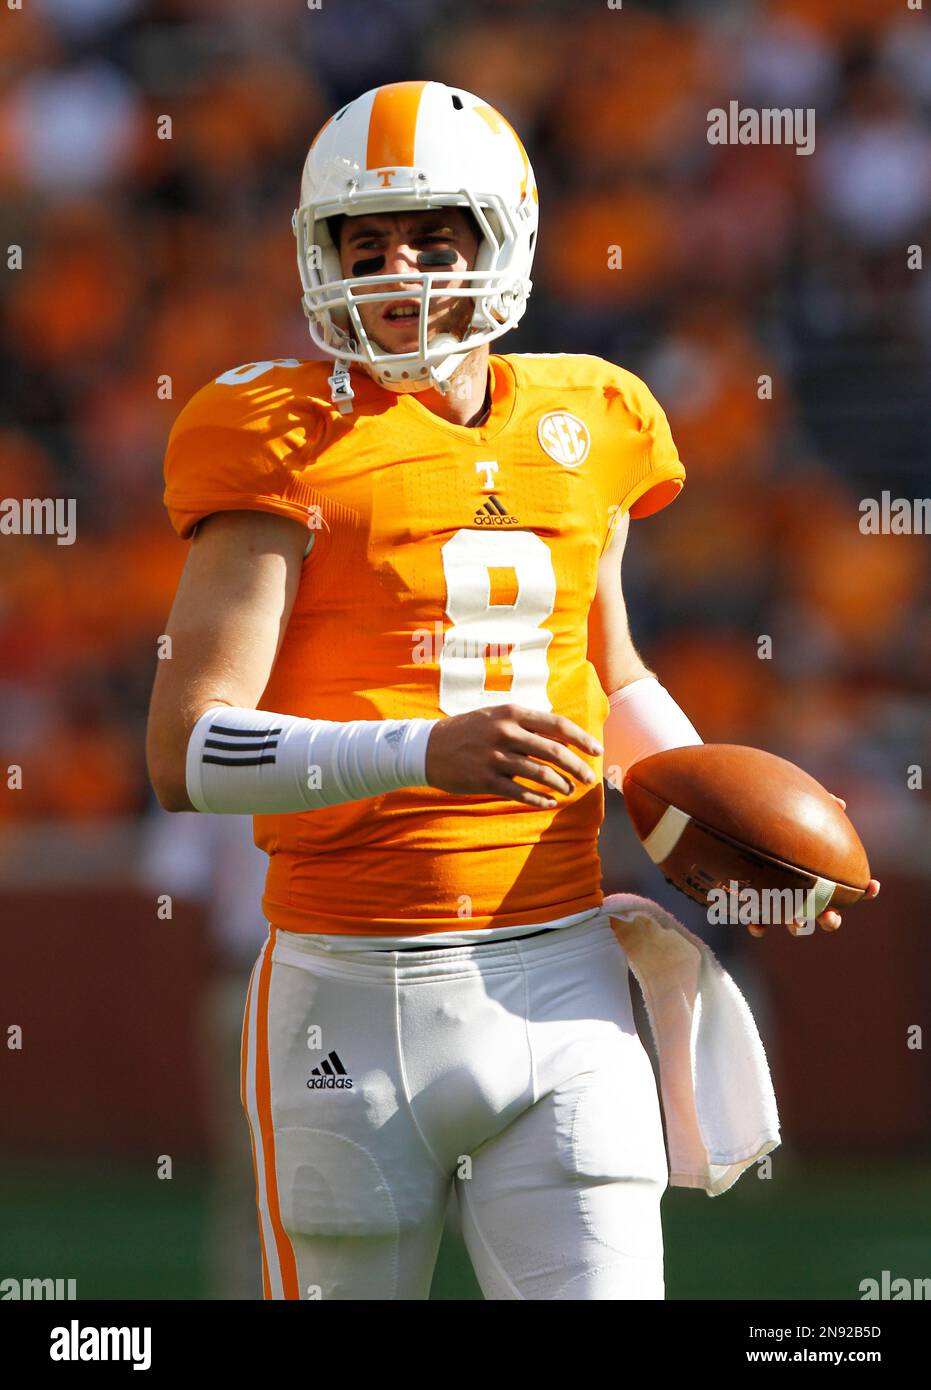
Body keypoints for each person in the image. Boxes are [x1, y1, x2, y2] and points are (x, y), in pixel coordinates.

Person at [146, 80, 877, 1300]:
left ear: (505, 240)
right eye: (364, 242)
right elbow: (187, 754)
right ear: (317, 253)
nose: (401, 274)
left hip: (561, 971)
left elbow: (613, 672)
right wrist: (422, 752)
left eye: (435, 238)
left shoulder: (591, 415)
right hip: (348, 981)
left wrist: (723, 831)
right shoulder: (271, 431)